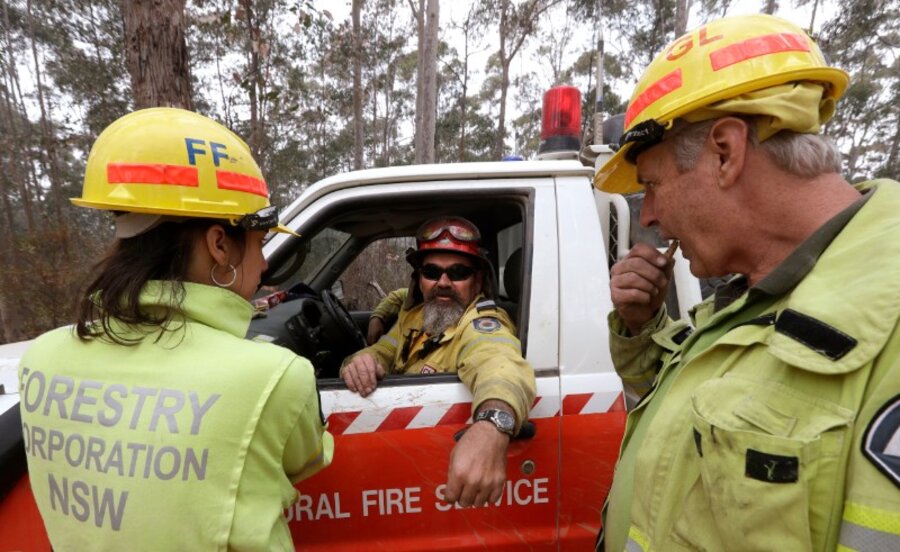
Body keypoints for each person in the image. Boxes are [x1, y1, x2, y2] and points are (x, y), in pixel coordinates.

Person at [595, 14, 900, 552]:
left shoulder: (884, 330)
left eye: (654, 185)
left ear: (725, 152)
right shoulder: (756, 296)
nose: (650, 216)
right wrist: (642, 328)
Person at [18, 108, 333, 550]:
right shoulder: (275, 375)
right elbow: (308, 457)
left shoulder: (40, 358)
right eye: (260, 243)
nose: (264, 264)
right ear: (219, 244)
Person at [340, 216, 536, 508]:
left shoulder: (481, 324)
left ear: (477, 281)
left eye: (458, 272)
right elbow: (384, 349)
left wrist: (492, 426)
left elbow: (500, 365)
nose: (443, 282)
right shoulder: (415, 316)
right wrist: (362, 361)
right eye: (431, 272)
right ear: (420, 280)